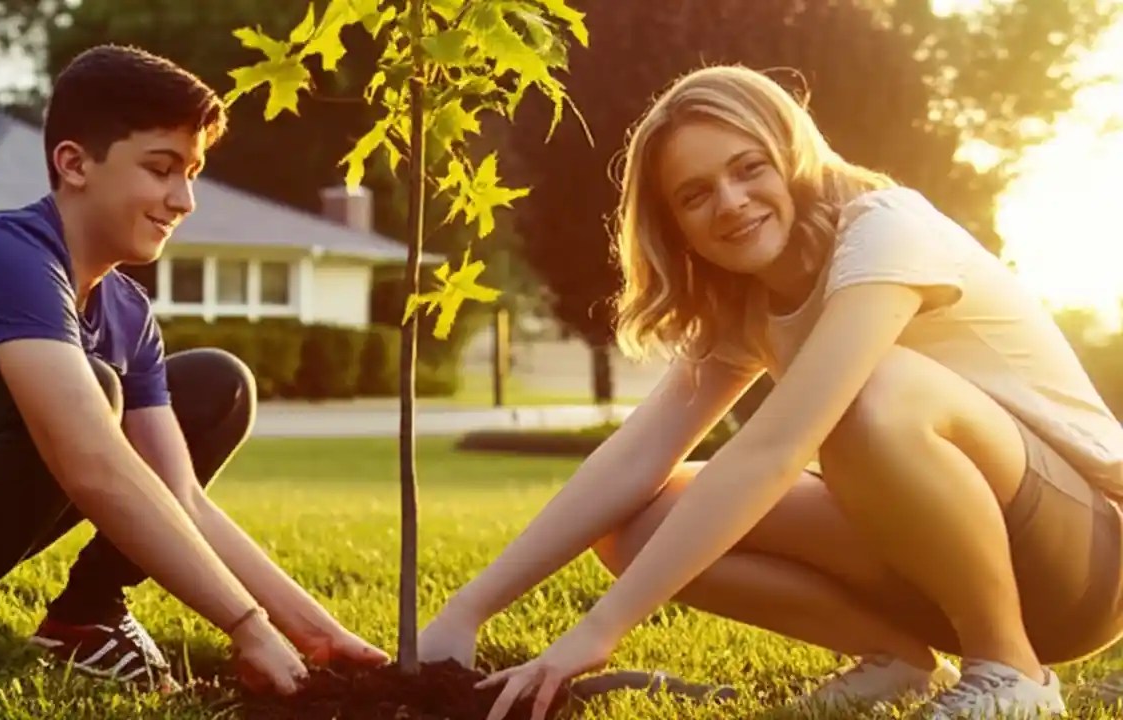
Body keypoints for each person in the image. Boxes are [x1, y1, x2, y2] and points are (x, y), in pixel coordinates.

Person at [418, 64, 1123, 720]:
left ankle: (1012, 673)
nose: (731, 203)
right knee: (638, 521)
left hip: (1083, 559)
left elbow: (777, 448)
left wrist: (600, 629)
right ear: (676, 228)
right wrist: (467, 612)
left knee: (867, 391)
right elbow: (635, 459)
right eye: (695, 195)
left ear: (791, 156)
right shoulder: (744, 302)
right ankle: (896, 660)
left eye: (748, 168)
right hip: (933, 570)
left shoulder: (885, 230)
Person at [0, 44, 387, 694]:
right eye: (161, 169)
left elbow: (182, 498)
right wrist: (244, 626)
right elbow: (90, 462)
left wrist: (313, 632)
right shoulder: (5, 257)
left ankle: (86, 620)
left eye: (192, 172)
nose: (183, 199)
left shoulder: (127, 311)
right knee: (94, 391)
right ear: (74, 163)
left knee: (216, 386)